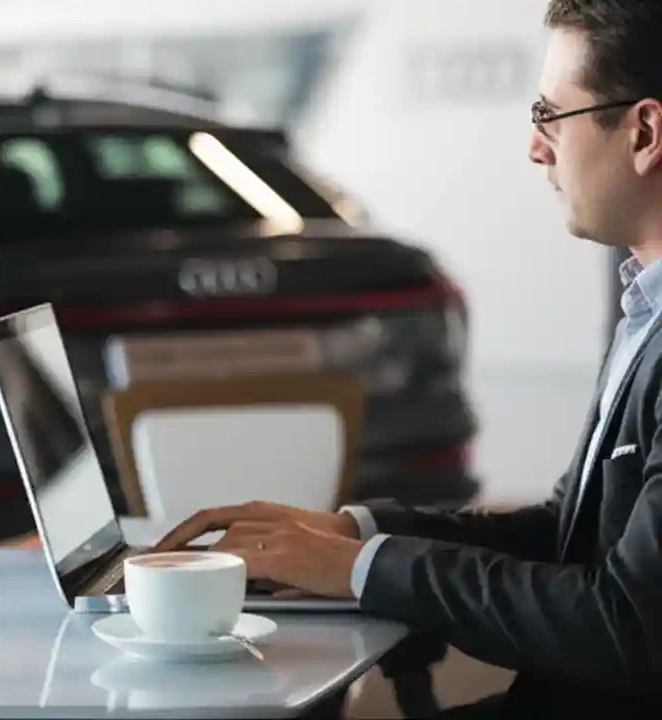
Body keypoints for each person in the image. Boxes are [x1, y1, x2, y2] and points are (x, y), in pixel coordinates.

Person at [154, 2, 662, 716]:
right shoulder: (645, 306)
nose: (535, 147)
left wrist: (362, 568)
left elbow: (630, 627)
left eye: (551, 114)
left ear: (643, 132)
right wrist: (352, 533)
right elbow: (566, 535)